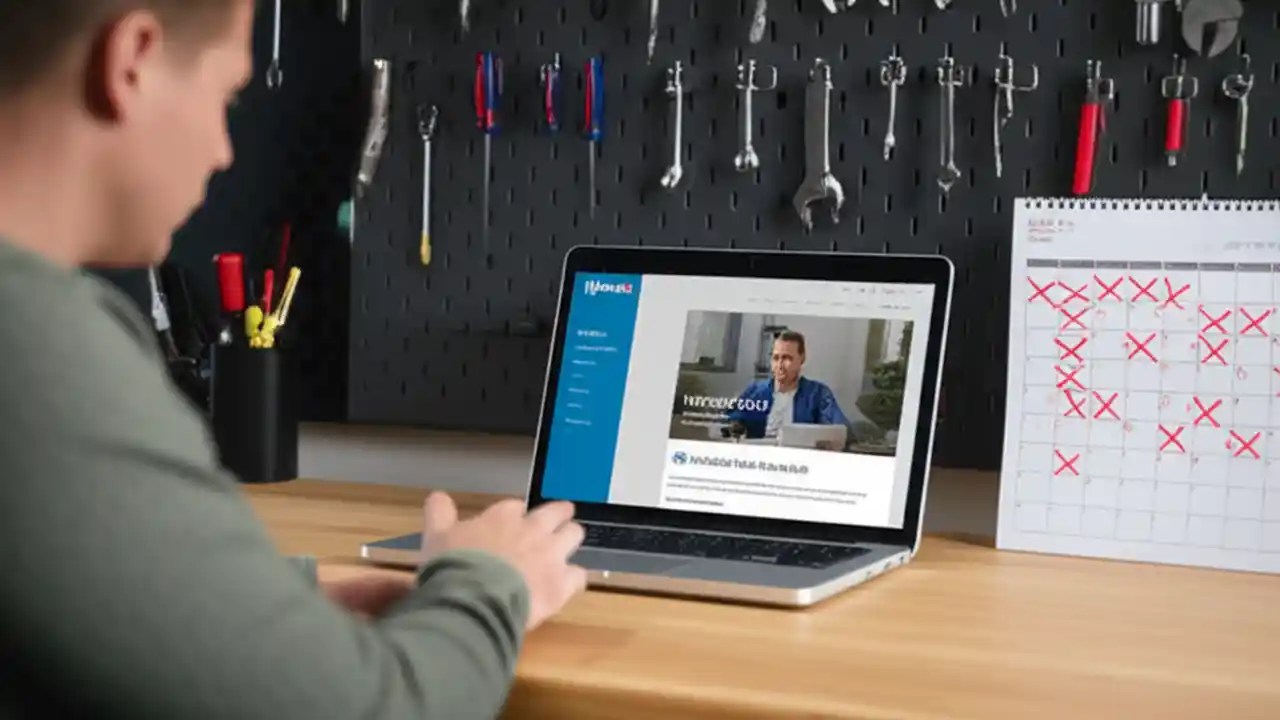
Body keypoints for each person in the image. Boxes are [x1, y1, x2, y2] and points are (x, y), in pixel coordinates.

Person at [0, 2, 585, 717]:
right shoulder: (39, 350)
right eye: (228, 96)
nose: (223, 149)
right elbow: (381, 708)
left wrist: (270, 604)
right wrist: (490, 581)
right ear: (133, 63)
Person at [726, 331, 849, 441]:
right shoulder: (754, 392)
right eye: (775, 358)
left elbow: (841, 430)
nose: (779, 365)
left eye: (786, 358)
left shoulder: (818, 394)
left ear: (802, 358)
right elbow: (728, 421)